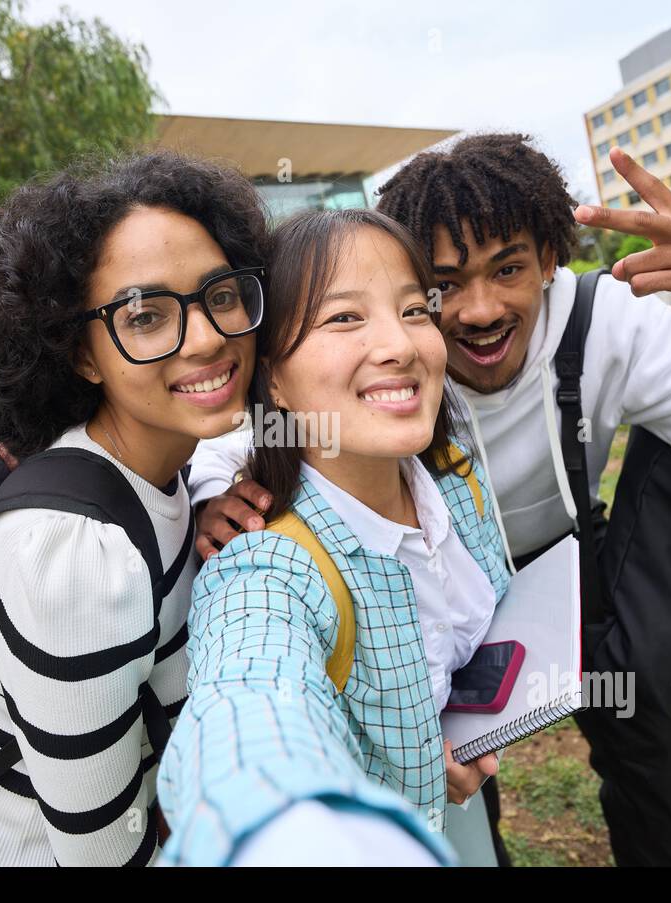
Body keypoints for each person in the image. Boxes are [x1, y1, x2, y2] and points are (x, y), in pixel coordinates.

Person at [189, 133, 671, 866]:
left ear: (551, 259)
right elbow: (249, 680)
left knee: (642, 737)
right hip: (443, 592)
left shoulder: (605, 322)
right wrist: (209, 496)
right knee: (465, 761)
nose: (476, 312)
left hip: (571, 558)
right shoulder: (392, 373)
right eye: (440, 288)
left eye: (508, 268)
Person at [0, 150, 269, 865]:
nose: (205, 336)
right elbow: (101, 854)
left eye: (221, 295)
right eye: (144, 316)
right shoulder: (75, 555)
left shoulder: (166, 474)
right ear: (79, 354)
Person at [158, 208, 512, 866]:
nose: (400, 346)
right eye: (344, 317)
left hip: (459, 809)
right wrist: (282, 831)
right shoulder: (265, 567)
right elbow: (246, 704)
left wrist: (443, 739)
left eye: (413, 311)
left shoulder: (453, 475)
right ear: (275, 379)